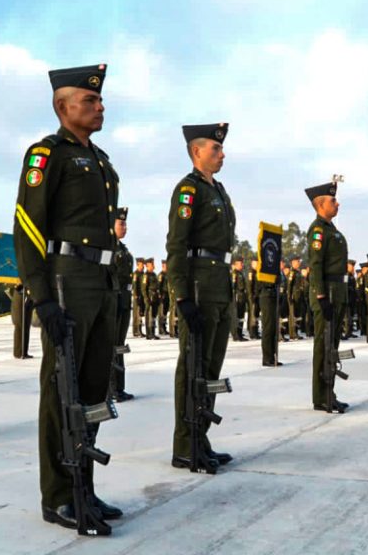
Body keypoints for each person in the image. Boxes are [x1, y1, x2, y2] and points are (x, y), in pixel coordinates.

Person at [13, 63, 123, 530]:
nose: (100, 107)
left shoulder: (100, 160)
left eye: (100, 100)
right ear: (63, 107)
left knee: (95, 390)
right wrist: (43, 299)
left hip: (101, 282)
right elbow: (28, 227)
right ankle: (58, 495)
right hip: (66, 281)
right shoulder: (47, 154)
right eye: (90, 101)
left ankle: (85, 488)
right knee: (63, 391)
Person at [165, 122, 235, 473]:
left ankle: (201, 438)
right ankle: (185, 443)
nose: (222, 154)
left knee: (210, 367)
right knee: (191, 366)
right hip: (198, 286)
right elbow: (176, 246)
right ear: (197, 152)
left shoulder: (218, 190)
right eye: (215, 149)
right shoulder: (188, 191)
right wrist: (181, 297)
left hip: (219, 285)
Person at [305, 180, 349, 413]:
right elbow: (316, 265)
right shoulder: (318, 230)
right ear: (321, 204)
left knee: (332, 346)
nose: (337, 203)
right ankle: (321, 397)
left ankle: (329, 392)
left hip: (337, 292)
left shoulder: (331, 229)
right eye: (333, 200)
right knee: (323, 346)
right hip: (327, 293)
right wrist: (321, 296)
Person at [111, 207, 134, 402]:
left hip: (124, 301)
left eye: (125, 223)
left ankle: (119, 387)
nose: (124, 227)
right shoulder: (109, 249)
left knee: (119, 346)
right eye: (121, 223)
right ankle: (111, 388)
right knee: (111, 346)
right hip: (114, 301)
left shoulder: (123, 249)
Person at [10, 284, 34, 359]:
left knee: (26, 326)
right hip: (20, 293)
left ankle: (24, 351)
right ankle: (19, 352)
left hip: (27, 294)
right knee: (20, 325)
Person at [141, 258, 160, 339]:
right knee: (149, 315)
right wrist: (146, 298)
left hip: (155, 297)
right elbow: (143, 289)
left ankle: (153, 332)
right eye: (152, 264)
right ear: (148, 265)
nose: (154, 266)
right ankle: (149, 333)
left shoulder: (154, 274)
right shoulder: (146, 275)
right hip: (150, 297)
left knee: (154, 316)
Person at [230, 256, 248, 341]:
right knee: (236, 316)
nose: (242, 265)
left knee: (241, 316)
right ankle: (236, 334)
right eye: (241, 263)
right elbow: (233, 286)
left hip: (242, 296)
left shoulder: (241, 273)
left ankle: (240, 333)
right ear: (236, 264)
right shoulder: (235, 273)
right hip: (237, 296)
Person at [246, 258, 261, 339]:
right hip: (253, 297)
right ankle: (252, 332)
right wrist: (251, 296)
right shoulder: (251, 273)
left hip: (257, 296)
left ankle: (256, 331)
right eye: (256, 263)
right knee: (253, 315)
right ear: (252, 264)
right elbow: (249, 286)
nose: (258, 265)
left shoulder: (257, 273)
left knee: (256, 315)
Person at [131, 257, 145, 337]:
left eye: (143, 265)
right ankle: (135, 331)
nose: (142, 266)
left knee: (140, 314)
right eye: (141, 264)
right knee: (136, 314)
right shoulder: (135, 274)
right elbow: (134, 285)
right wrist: (135, 295)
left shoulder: (143, 274)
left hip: (142, 296)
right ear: (137, 265)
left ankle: (140, 330)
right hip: (137, 296)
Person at [158, 260, 170, 335]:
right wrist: (160, 295)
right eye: (165, 265)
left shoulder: (168, 274)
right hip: (163, 295)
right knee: (162, 313)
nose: (166, 267)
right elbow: (159, 286)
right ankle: (161, 328)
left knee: (165, 312)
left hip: (168, 294)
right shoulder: (161, 275)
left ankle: (164, 327)